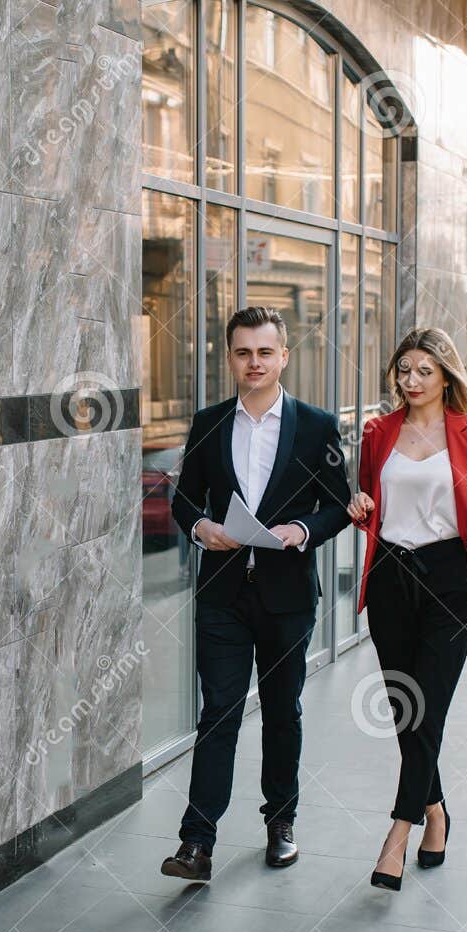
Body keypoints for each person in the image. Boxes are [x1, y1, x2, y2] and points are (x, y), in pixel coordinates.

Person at [161, 306, 353, 883]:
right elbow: (184, 500)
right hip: (222, 594)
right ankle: (197, 843)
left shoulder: (317, 426)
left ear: (283, 357)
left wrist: (302, 531)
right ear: (229, 358)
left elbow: (339, 504)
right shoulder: (209, 422)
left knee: (281, 712)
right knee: (217, 714)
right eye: (243, 352)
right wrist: (201, 528)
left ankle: (281, 822)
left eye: (264, 352)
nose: (254, 362)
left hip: (287, 596)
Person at [347, 327, 467, 891]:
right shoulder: (377, 433)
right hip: (391, 576)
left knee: (428, 707)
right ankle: (436, 811)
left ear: (446, 376)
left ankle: (397, 833)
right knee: (406, 710)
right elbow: (370, 501)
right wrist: (360, 506)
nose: (411, 381)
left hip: (449, 580)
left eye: (423, 371)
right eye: (403, 370)